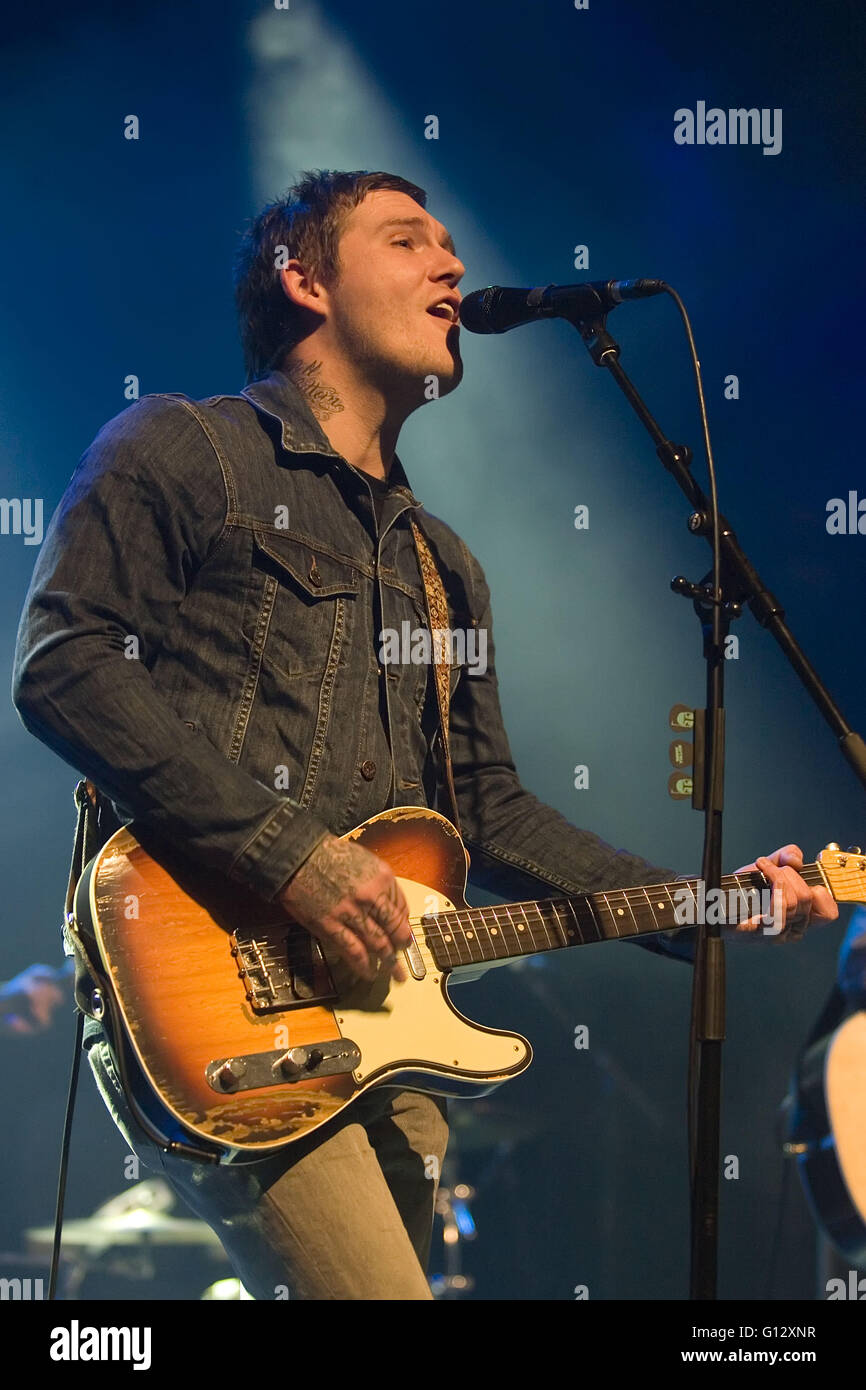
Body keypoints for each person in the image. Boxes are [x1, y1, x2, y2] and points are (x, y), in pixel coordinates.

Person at [11, 170, 837, 1300]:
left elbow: (487, 811)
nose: (451, 266)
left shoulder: (440, 566)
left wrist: (707, 900)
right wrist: (294, 860)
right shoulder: (181, 448)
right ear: (303, 280)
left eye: (451, 245)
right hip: (216, 994)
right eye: (407, 242)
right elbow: (61, 665)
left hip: (380, 1023)